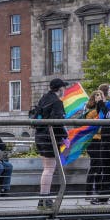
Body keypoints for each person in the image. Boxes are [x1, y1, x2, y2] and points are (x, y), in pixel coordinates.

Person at [33, 78, 67, 209]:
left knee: (46, 168)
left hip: (40, 137)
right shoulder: (57, 102)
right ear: (60, 89)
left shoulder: (44, 99)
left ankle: (44, 198)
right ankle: (44, 198)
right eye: (64, 88)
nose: (65, 90)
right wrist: (64, 136)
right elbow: (58, 122)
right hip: (50, 138)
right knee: (49, 169)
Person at [84, 90, 106, 198]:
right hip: (93, 141)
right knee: (94, 165)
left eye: (101, 95)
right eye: (97, 96)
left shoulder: (104, 109)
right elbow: (89, 128)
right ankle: (89, 191)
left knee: (100, 166)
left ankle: (98, 189)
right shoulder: (91, 112)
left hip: (102, 140)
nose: (100, 97)